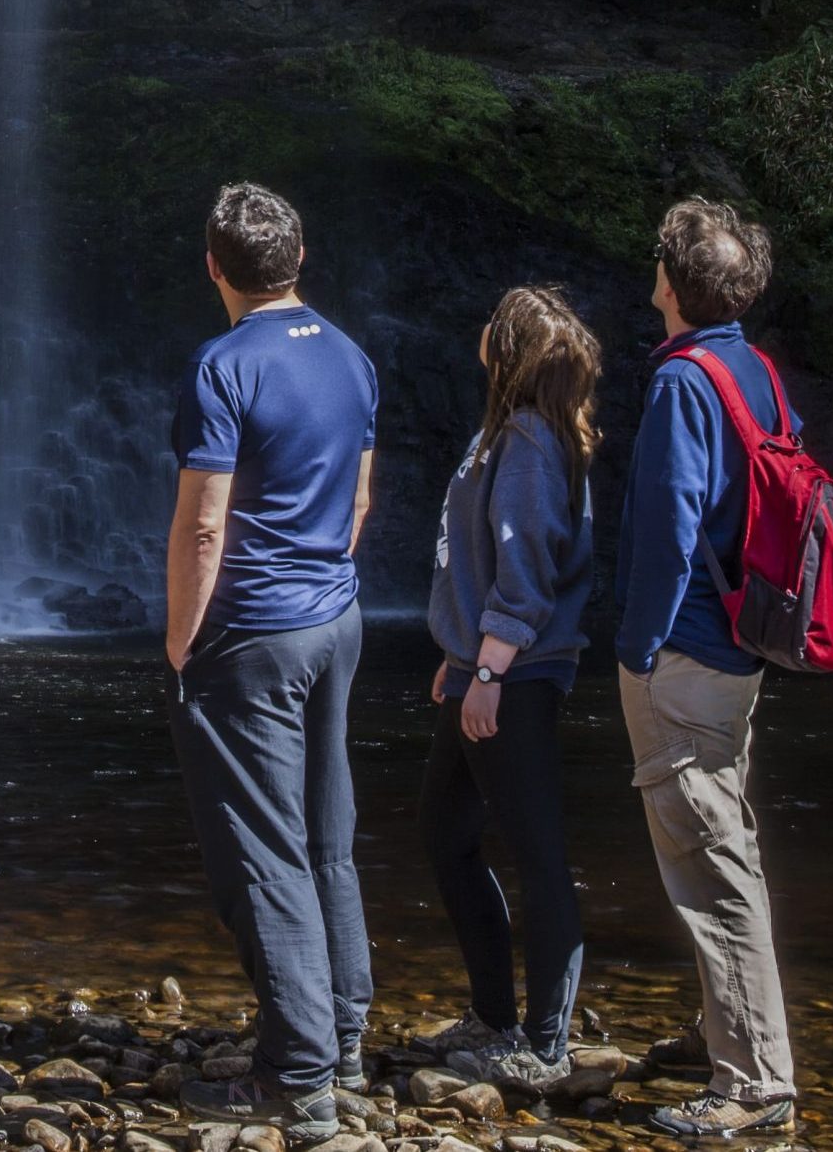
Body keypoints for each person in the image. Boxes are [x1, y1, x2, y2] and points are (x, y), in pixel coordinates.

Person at [165, 182, 378, 1140]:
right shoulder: (351, 355)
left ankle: (299, 1079)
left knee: (262, 855)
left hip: (251, 634)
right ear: (300, 260)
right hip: (336, 622)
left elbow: (204, 523)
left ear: (215, 267)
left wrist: (182, 638)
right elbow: (361, 503)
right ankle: (340, 1037)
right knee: (326, 839)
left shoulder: (220, 366)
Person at [616, 198, 798, 1138]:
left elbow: (670, 527)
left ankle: (755, 1081)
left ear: (674, 284)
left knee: (709, 861)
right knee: (721, 833)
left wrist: (637, 647)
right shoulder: (756, 370)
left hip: (683, 654)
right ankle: (720, 1029)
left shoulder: (685, 382)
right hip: (739, 650)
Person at [416, 286, 599, 1093]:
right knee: (444, 834)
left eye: (495, 322)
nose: (481, 329)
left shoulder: (526, 438)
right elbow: (481, 559)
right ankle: (494, 1016)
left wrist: (487, 669)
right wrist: (459, 656)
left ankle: (548, 1046)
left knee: (537, 854)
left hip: (514, 675)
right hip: (479, 667)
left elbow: (524, 574)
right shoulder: (510, 428)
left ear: (514, 348)